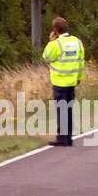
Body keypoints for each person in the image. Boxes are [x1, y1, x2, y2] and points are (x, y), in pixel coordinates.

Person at [42, 17, 85, 147]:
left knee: (61, 110)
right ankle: (69, 137)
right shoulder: (77, 42)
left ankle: (62, 138)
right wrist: (78, 77)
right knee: (69, 109)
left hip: (60, 82)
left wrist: (51, 41)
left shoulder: (56, 44)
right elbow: (81, 61)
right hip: (72, 81)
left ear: (55, 30)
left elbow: (46, 57)